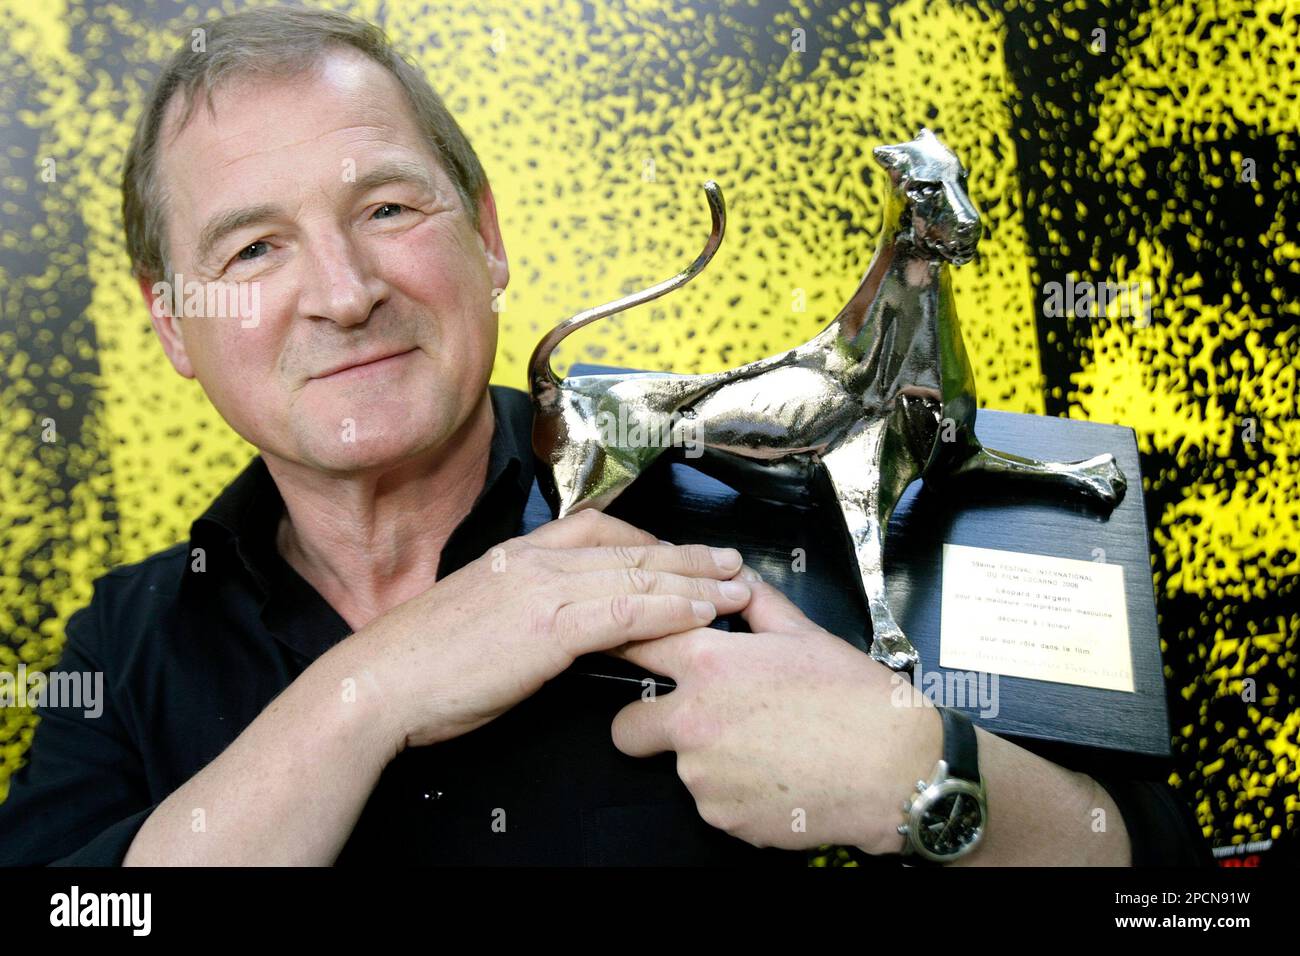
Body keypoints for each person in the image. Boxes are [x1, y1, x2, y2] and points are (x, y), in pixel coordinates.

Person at [0, 6, 1211, 867]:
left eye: (385, 207)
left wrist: (931, 776)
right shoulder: (126, 639)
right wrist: (366, 691)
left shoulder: (791, 508)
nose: (343, 288)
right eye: (254, 248)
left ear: (486, 237)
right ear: (174, 323)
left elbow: (1172, 891)